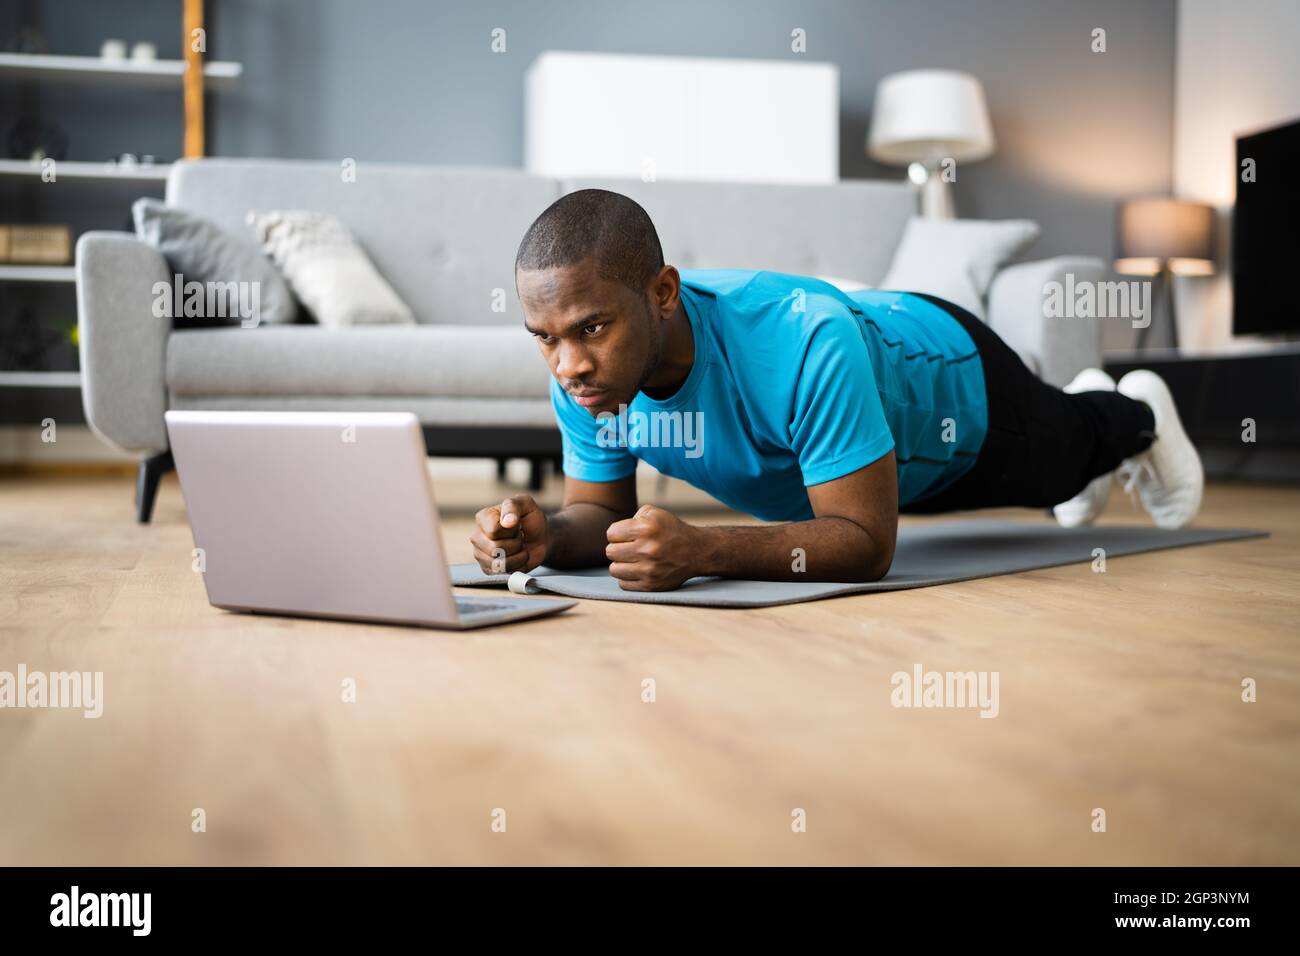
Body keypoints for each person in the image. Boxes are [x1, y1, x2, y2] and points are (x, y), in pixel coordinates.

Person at [470, 189, 1203, 591]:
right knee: (1054, 474)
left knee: (1068, 455)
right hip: (874, 445)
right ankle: (1080, 412)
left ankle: (1135, 411)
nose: (567, 366)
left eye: (592, 329)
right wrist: (546, 538)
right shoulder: (589, 375)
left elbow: (865, 542)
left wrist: (704, 551)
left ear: (662, 292)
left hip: (952, 387)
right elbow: (598, 511)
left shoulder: (802, 344)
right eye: (546, 338)